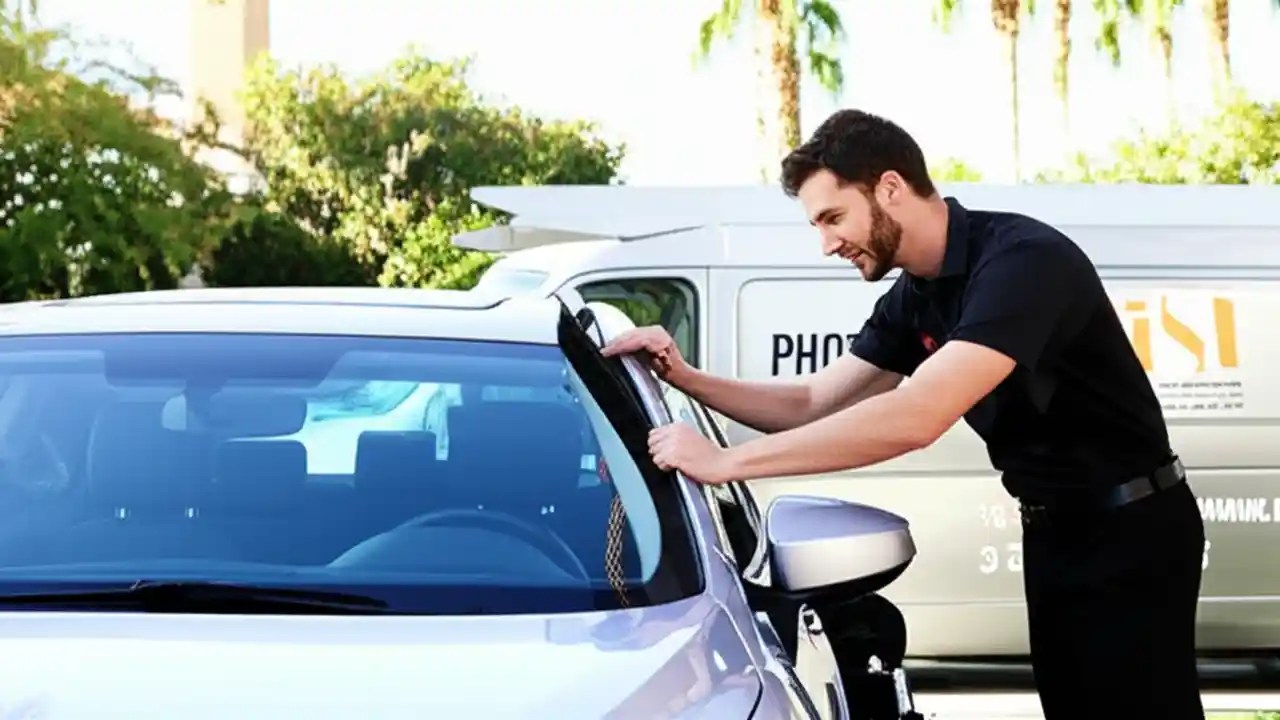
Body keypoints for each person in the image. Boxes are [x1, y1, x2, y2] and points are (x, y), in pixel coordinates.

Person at [600, 109, 1206, 720]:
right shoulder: (915, 295)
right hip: (1056, 534)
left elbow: (918, 416)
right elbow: (813, 402)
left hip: (1133, 528)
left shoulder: (1024, 263)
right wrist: (681, 374)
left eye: (833, 218)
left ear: (889, 187)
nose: (827, 244)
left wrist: (725, 464)